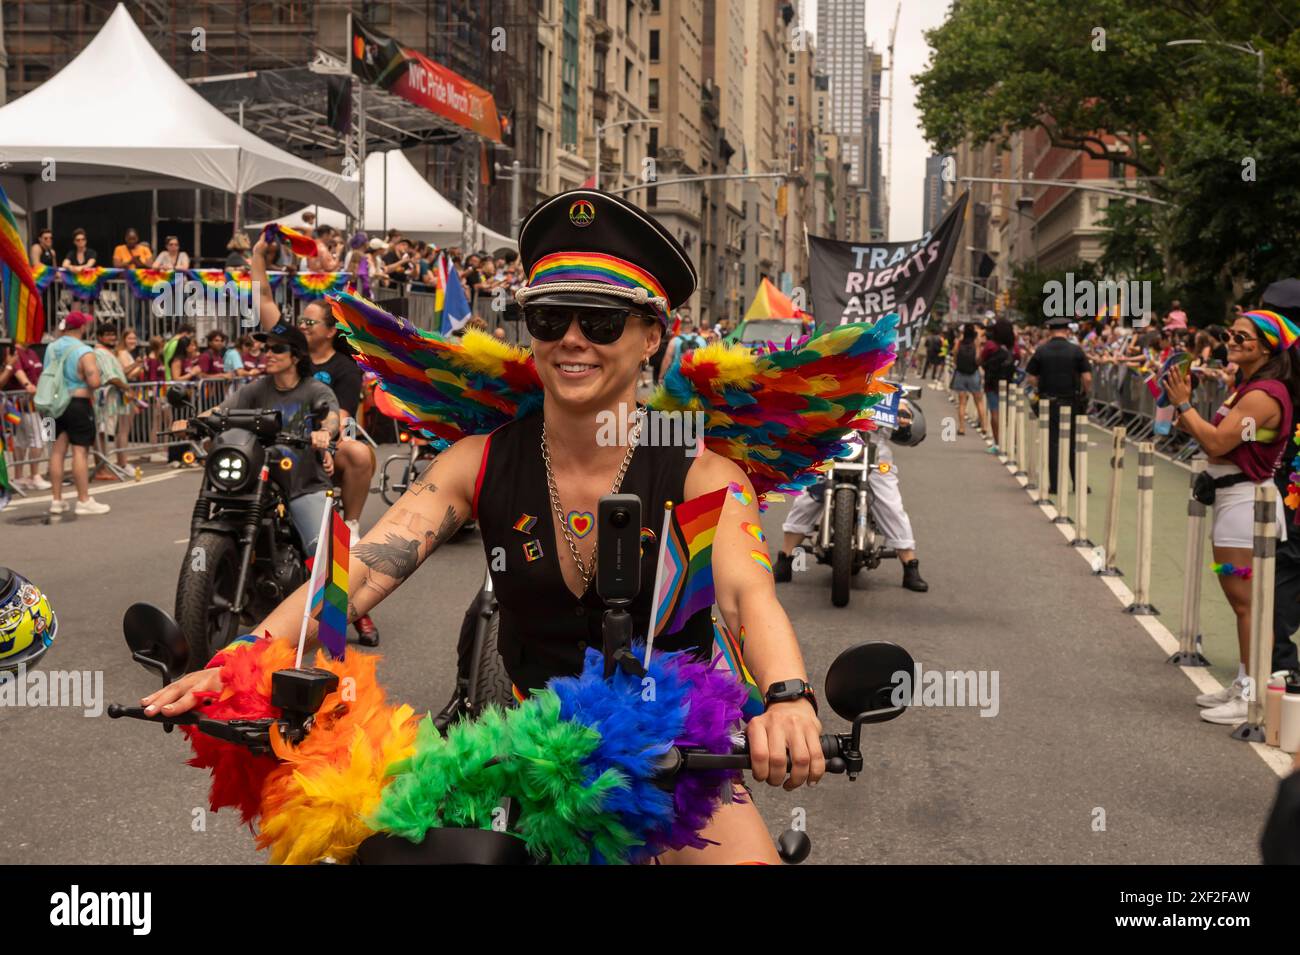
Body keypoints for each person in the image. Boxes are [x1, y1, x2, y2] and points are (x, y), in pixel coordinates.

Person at [147, 189, 827, 864]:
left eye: (601, 320)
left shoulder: (701, 473)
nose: (571, 338)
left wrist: (788, 696)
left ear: (653, 335)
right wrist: (243, 656)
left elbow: (748, 596)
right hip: (529, 755)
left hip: (672, 756)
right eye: (549, 315)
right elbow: (357, 573)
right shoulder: (479, 461)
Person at [1164, 308, 1298, 724]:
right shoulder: (1247, 389)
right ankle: (1244, 680)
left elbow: (1219, 442)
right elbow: (1208, 436)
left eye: (1244, 337)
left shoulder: (1264, 394)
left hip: (1246, 505)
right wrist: (1180, 402)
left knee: (1247, 605)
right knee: (1239, 600)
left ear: (1267, 347)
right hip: (1233, 503)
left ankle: (1252, 690)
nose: (1233, 342)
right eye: (1231, 334)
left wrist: (1184, 403)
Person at [253, 229, 380, 644]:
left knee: (357, 456)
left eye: (309, 323)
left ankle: (351, 542)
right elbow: (265, 301)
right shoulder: (279, 359)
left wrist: (320, 437)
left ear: (328, 331)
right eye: (299, 321)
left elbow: (335, 417)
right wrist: (258, 256)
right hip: (271, 451)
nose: (300, 327)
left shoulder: (340, 370)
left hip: (313, 454)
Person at [44, 312, 109, 515]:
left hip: (52, 404)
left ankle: (56, 500)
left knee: (57, 451)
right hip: (77, 403)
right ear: (81, 327)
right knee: (80, 451)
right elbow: (94, 382)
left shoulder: (51, 347)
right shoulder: (83, 350)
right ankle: (83, 500)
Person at [1025, 315, 1091, 496]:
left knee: (1052, 443)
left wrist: (1043, 386)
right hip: (1071, 401)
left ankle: (1055, 484)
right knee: (1073, 443)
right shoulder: (1076, 351)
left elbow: (1031, 377)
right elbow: (1087, 377)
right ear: (1067, 330)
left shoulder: (1041, 351)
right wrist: (1085, 393)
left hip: (1049, 402)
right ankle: (1078, 483)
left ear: (1050, 331)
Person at [1, 338, 50, 490]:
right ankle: (33, 475)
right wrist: (28, 385)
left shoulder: (32, 352)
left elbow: (41, 373)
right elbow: (17, 371)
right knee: (37, 437)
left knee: (23, 439)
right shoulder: (14, 352)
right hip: (22, 402)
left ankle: (20, 476)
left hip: (31, 401)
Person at [90, 322, 133, 479]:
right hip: (104, 400)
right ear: (100, 337)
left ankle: (103, 467)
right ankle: (101, 469)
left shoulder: (108, 353)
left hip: (112, 399)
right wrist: (126, 388)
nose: (112, 337)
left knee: (104, 434)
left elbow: (117, 374)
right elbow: (110, 377)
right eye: (107, 334)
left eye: (113, 334)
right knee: (102, 434)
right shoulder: (100, 353)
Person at [979, 319, 1018, 453]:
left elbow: (980, 360)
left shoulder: (991, 345)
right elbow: (1018, 359)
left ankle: (998, 444)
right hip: (1009, 383)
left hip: (992, 383)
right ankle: (1014, 443)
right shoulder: (1013, 347)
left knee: (995, 412)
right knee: (1009, 414)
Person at [950, 323, 987, 436]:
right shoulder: (976, 342)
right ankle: (984, 426)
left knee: (962, 403)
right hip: (973, 374)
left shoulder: (959, 342)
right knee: (979, 401)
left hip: (960, 374)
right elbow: (978, 359)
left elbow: (954, 356)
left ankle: (961, 428)